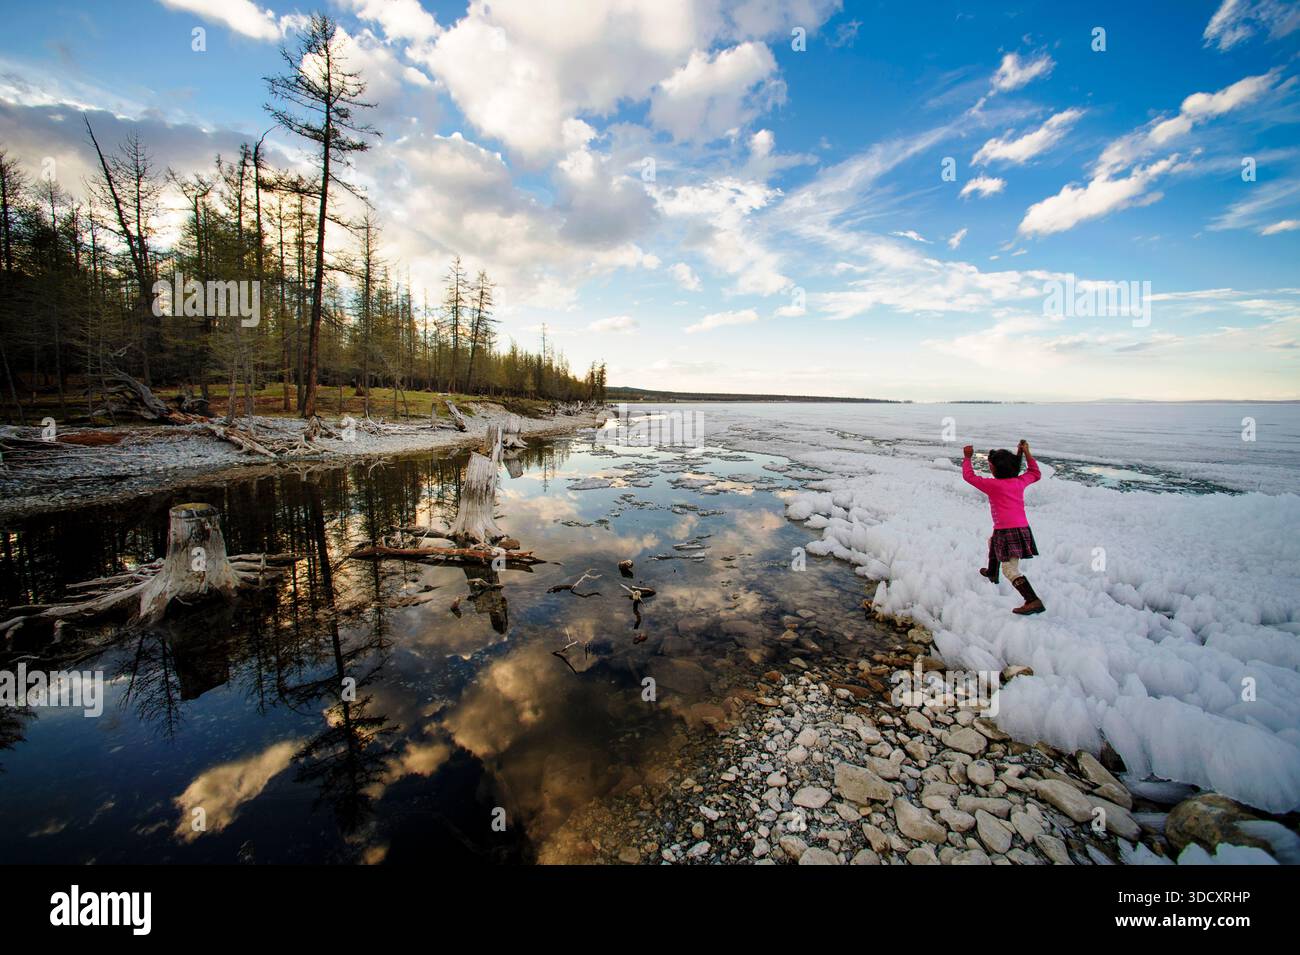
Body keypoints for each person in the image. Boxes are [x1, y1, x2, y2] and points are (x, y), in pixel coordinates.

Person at [961, 439, 1045, 615]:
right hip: (1020, 528)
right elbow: (1035, 473)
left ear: (996, 470)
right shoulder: (1019, 481)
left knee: (1009, 568)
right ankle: (992, 572)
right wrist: (1025, 453)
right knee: (992, 541)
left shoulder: (994, 486)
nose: (990, 468)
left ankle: (1032, 600)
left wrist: (967, 458)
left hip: (1007, 531)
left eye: (990, 466)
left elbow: (969, 477)